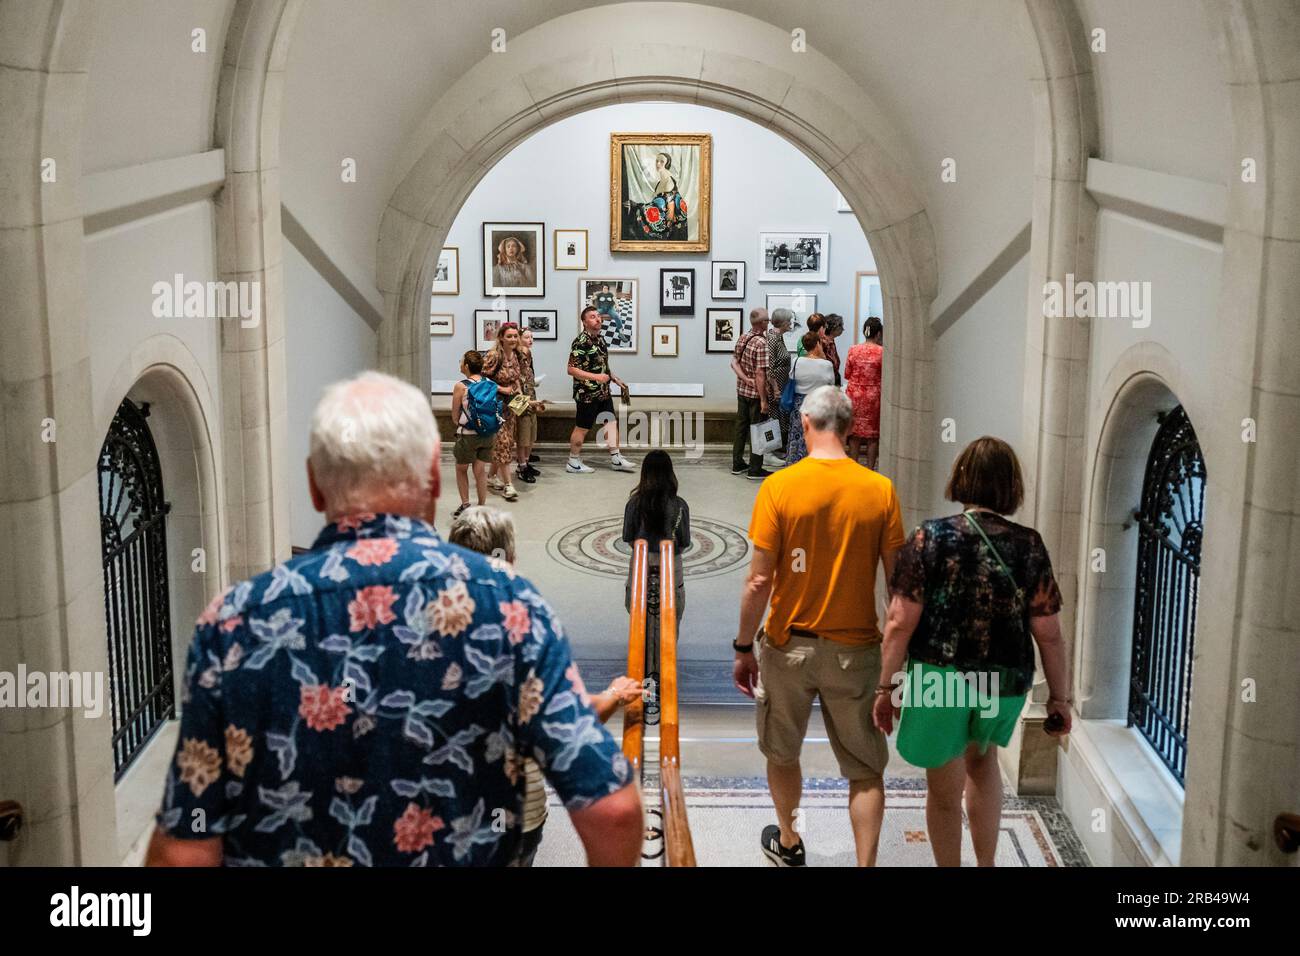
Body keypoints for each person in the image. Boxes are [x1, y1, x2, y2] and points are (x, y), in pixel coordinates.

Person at [145, 371, 643, 867]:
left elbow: (186, 846)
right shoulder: (508, 605)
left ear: (316, 486)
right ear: (433, 472)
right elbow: (613, 810)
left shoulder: (234, 622)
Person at [872, 437, 1072, 867]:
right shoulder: (1029, 545)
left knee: (943, 787)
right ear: (1011, 486)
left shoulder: (931, 537)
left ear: (961, 477)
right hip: (1002, 682)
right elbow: (1049, 633)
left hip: (940, 678)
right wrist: (1060, 698)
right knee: (983, 764)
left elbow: (898, 622)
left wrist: (883, 688)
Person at [733, 385, 907, 867]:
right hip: (856, 653)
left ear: (805, 425)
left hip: (788, 648)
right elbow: (899, 592)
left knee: (782, 752)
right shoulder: (879, 490)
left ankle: (789, 841)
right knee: (866, 769)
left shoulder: (780, 487)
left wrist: (743, 646)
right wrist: (894, 672)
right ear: (851, 430)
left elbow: (759, 581)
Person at [448, 505, 643, 867]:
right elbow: (566, 724)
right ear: (510, 557)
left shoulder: (418, 621)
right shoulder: (527, 627)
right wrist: (614, 696)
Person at [622, 450, 690, 624]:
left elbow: (629, 537)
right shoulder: (680, 505)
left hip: (641, 564)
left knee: (639, 617)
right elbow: (683, 542)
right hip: (671, 565)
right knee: (671, 618)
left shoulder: (634, 504)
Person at [566, 305, 636, 474]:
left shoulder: (601, 339)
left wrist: (614, 378)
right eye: (592, 316)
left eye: (598, 316)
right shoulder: (580, 341)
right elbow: (571, 369)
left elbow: (602, 365)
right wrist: (597, 377)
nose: (597, 318)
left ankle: (616, 458)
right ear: (584, 321)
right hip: (586, 394)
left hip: (603, 392)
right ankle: (573, 462)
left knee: (610, 424)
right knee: (582, 428)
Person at [450, 349, 497, 518]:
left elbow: (455, 415)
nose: (460, 364)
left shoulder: (461, 386)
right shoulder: (490, 382)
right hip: (488, 433)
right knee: (480, 469)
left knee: (461, 468)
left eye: (462, 361)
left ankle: (466, 504)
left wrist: (460, 423)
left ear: (467, 366)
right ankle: (482, 505)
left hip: (468, 434)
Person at [482, 322, 525, 501]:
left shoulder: (516, 355)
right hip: (495, 407)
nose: (513, 339)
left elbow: (517, 380)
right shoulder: (494, 356)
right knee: (504, 442)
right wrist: (501, 388)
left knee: (505, 443)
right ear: (501, 337)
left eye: (515, 336)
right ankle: (508, 485)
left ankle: (491, 477)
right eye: (509, 336)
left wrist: (522, 402)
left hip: (511, 406)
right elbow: (481, 378)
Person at [730, 308, 772, 480]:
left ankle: (737, 463)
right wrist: (764, 400)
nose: (768, 322)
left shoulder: (743, 337)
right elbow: (761, 374)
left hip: (741, 391)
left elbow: (734, 362)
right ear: (761, 323)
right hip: (755, 395)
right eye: (767, 320)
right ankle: (755, 468)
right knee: (758, 430)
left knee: (740, 428)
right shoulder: (762, 343)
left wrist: (745, 379)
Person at [784, 330, 836, 466]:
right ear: (818, 344)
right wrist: (823, 356)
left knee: (798, 434)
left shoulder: (796, 361)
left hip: (799, 405)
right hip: (819, 404)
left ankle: (795, 463)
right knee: (818, 435)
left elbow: (792, 378)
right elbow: (831, 383)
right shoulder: (826, 365)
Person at [844, 316, 884, 469]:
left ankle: (853, 467)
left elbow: (847, 373)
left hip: (854, 394)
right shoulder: (881, 352)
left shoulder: (853, 349)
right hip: (873, 395)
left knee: (854, 434)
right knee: (872, 436)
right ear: (878, 333)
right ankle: (870, 468)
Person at [514, 329, 544, 483]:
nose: (531, 339)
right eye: (527, 337)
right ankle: (522, 465)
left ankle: (526, 461)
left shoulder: (528, 357)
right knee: (523, 435)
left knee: (531, 433)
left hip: (530, 396)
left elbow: (529, 380)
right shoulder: (516, 359)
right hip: (520, 399)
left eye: (532, 337)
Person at [765, 308, 794, 456]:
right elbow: (769, 366)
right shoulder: (772, 338)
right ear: (782, 322)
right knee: (773, 417)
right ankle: (770, 452)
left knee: (778, 417)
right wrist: (775, 389)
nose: (791, 323)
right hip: (774, 386)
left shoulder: (779, 337)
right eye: (789, 320)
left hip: (781, 385)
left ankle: (776, 449)